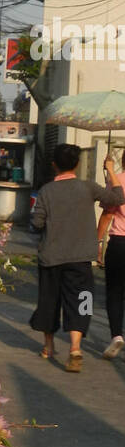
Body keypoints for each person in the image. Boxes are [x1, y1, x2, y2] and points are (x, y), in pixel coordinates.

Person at [29, 143, 125, 371]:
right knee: (82, 299)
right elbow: (118, 197)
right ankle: (75, 347)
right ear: (78, 164)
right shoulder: (88, 187)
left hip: (51, 257)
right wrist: (110, 170)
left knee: (49, 300)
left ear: (54, 165)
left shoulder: (46, 191)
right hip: (81, 258)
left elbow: (36, 223)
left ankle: (48, 346)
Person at [97, 148, 125, 358]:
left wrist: (97, 242)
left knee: (115, 292)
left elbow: (107, 214)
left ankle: (116, 335)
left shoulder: (118, 181)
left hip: (119, 244)